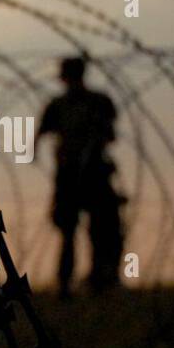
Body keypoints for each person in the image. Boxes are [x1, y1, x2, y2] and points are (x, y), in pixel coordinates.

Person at [37, 57, 123, 298]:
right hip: (72, 173)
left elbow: (109, 133)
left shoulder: (96, 102)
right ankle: (67, 282)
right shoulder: (62, 104)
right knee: (71, 230)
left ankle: (97, 279)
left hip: (93, 171)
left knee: (100, 229)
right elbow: (42, 133)